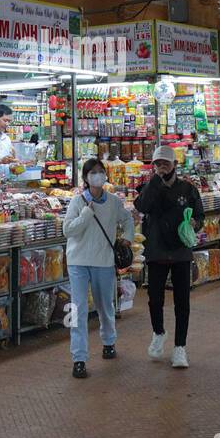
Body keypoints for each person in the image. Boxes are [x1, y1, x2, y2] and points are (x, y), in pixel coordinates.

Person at [62, 157, 135, 379]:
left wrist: (128, 238)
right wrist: (86, 215)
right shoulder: (77, 202)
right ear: (85, 178)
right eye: (92, 172)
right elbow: (68, 230)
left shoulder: (113, 202)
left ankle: (109, 342)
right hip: (78, 262)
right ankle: (79, 358)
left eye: (100, 171)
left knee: (105, 305)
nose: (97, 175)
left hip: (103, 261)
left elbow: (128, 220)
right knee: (77, 309)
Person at [134, 145, 204, 368]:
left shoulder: (188, 189)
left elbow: (200, 215)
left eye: (166, 162)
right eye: (158, 163)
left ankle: (180, 347)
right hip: (156, 250)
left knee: (182, 301)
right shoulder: (149, 187)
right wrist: (155, 182)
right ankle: (158, 332)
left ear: (175, 164)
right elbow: (142, 206)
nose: (162, 166)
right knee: (155, 298)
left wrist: (195, 223)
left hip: (181, 251)